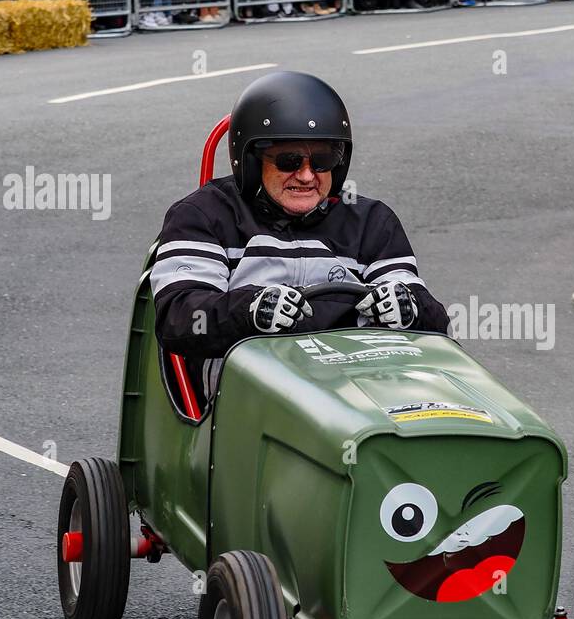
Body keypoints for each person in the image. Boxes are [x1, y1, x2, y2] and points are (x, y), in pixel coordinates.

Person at [152, 72, 450, 397]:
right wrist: (249, 310)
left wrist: (411, 307)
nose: (307, 175)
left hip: (363, 386)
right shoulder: (204, 215)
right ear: (251, 161)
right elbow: (179, 319)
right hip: (247, 397)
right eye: (289, 160)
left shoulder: (371, 221)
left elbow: (438, 329)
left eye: (322, 160)